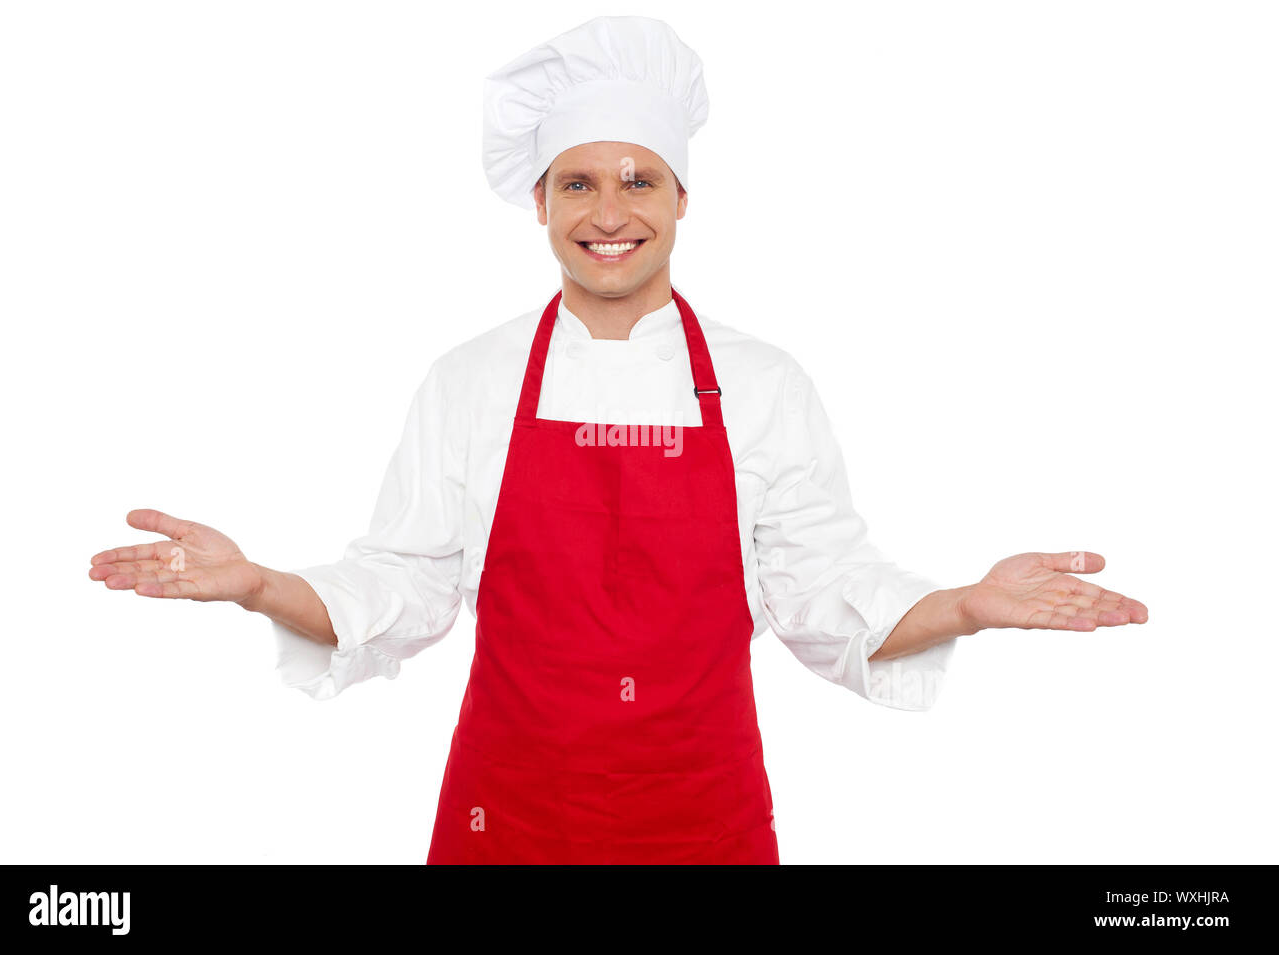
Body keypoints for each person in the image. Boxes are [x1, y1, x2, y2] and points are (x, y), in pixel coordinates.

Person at [88, 16, 1148, 864]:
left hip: (703, 817)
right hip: (508, 818)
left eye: (637, 179)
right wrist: (260, 583)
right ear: (539, 202)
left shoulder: (760, 383)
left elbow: (822, 590)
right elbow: (403, 583)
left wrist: (962, 603)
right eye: (578, 182)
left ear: (681, 197)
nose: (609, 210)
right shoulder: (473, 379)